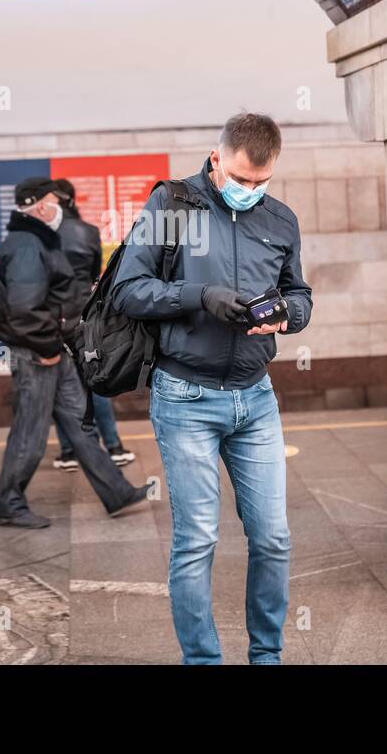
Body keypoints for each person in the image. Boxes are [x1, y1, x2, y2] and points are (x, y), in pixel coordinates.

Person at [112, 113, 313, 665]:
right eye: (241, 179)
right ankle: (202, 660)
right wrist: (199, 296)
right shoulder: (172, 207)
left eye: (261, 182)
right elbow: (128, 291)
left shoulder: (280, 219)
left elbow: (301, 294)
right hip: (185, 398)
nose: (250, 191)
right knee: (197, 540)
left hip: (256, 397)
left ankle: (266, 655)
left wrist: (286, 315)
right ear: (215, 158)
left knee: (273, 538)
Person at [0, 177, 148, 529]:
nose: (60, 207)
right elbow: (24, 308)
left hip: (52, 348)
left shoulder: (36, 240)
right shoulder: (27, 244)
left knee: (80, 423)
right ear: (42, 207)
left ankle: (116, 491)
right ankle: (9, 502)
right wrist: (47, 348)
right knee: (30, 431)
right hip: (37, 352)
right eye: (54, 201)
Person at [51, 177, 137, 470]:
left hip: (53, 322)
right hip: (84, 320)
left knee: (61, 390)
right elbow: (92, 278)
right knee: (96, 382)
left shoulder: (42, 237)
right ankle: (113, 446)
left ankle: (68, 452)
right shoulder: (88, 233)